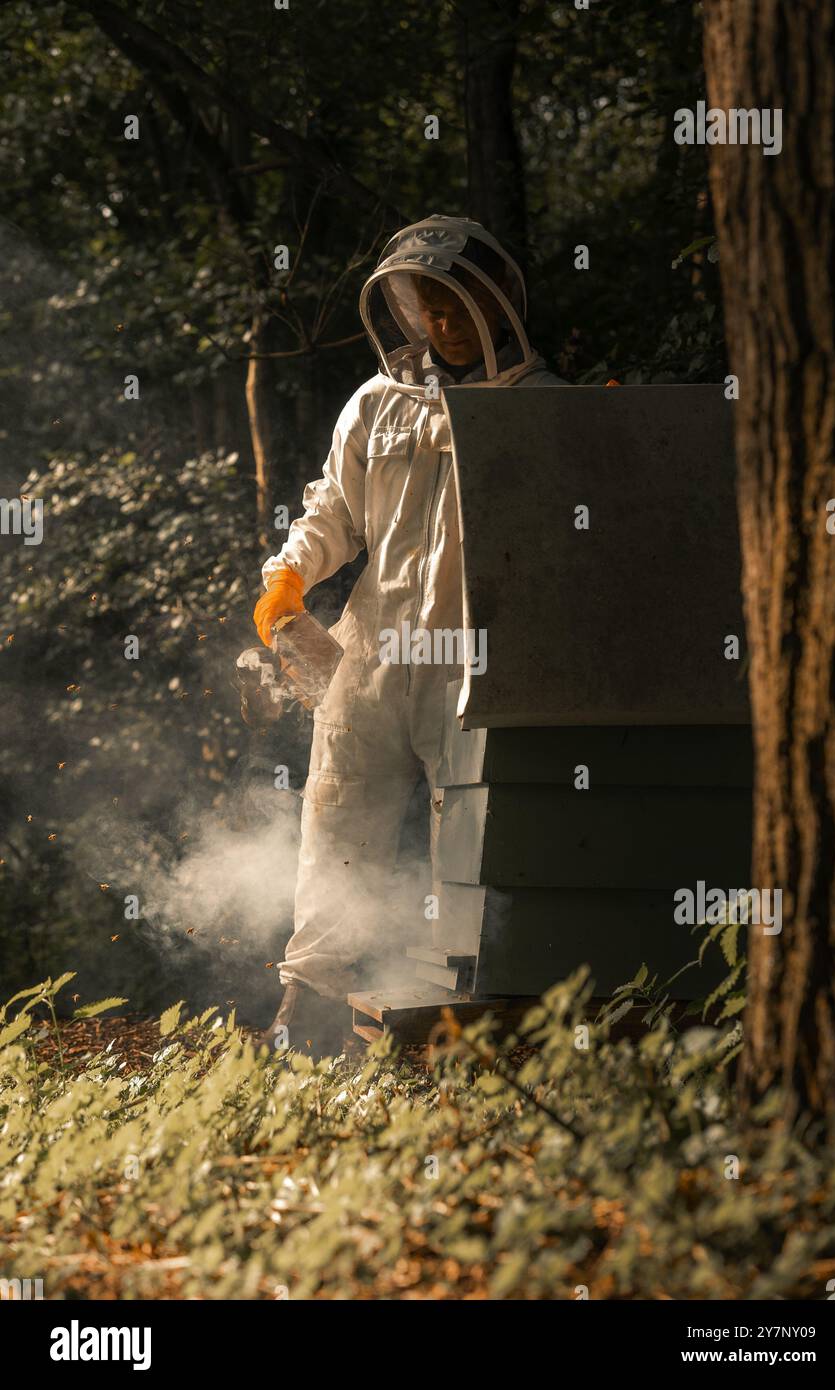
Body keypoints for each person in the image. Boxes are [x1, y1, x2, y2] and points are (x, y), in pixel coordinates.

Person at [253, 214, 562, 1056]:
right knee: (335, 821)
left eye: (455, 304)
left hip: (476, 657)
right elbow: (334, 510)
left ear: (498, 305)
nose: (440, 323)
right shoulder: (375, 404)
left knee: (472, 833)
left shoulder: (542, 411)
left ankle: (464, 1020)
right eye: (423, 305)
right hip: (373, 647)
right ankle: (308, 1011)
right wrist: (286, 584)